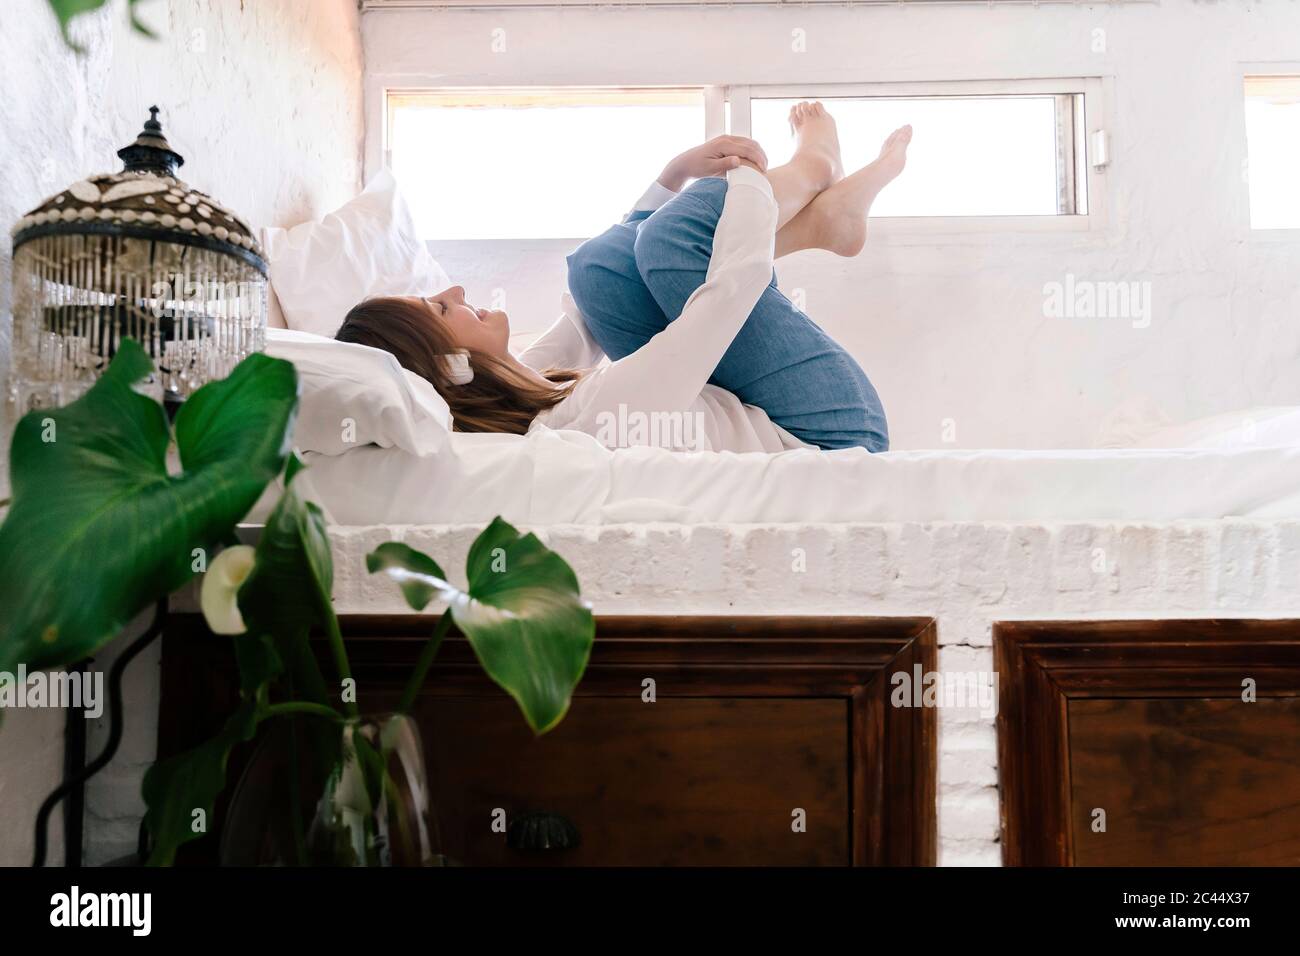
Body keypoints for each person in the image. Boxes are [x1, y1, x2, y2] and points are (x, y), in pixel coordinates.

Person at [336, 101, 910, 453]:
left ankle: (824, 223)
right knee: (670, 242)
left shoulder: (535, 389)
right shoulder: (579, 427)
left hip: (778, 410)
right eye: (439, 309)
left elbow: (593, 292)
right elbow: (724, 302)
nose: (456, 291)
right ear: (448, 367)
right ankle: (814, 169)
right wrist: (748, 186)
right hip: (831, 433)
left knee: (596, 269)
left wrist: (673, 175)